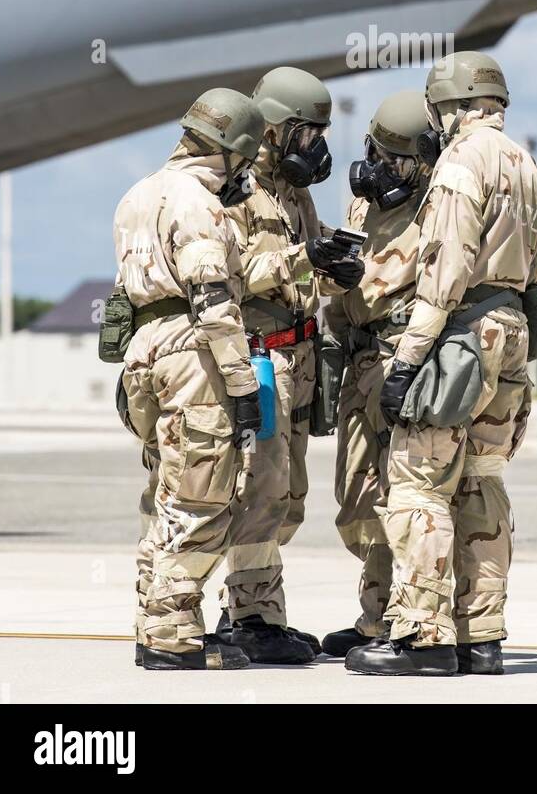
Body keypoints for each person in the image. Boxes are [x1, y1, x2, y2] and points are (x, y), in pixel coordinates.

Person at [346, 52, 537, 677]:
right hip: (511, 331)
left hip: (460, 335)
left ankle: (422, 636)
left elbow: (443, 277)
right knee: (481, 480)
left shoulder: (462, 164)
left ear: (454, 105)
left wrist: (407, 361)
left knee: (417, 480)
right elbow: (533, 275)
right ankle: (480, 634)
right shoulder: (526, 165)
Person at [217, 66, 364, 664]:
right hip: (262, 355)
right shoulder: (237, 189)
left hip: (301, 355)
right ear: (273, 130)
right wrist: (304, 257)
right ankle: (252, 619)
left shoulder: (295, 194)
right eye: (306, 133)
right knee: (261, 492)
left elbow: (301, 270)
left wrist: (334, 266)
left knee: (289, 495)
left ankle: (254, 612)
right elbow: (234, 273)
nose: (317, 147)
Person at [114, 88, 264, 671]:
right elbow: (212, 298)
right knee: (201, 498)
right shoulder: (197, 201)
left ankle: (154, 622)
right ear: (232, 152)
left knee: (163, 495)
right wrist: (241, 380)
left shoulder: (135, 194)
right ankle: (174, 638)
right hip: (191, 354)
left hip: (143, 353)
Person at [320, 90, 432, 658]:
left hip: (400, 354)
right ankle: (374, 616)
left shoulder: (439, 207)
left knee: (403, 493)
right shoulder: (365, 206)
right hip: (360, 354)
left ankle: (411, 618)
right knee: (359, 494)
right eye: (375, 151)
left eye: (395, 158)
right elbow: (346, 285)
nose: (379, 167)